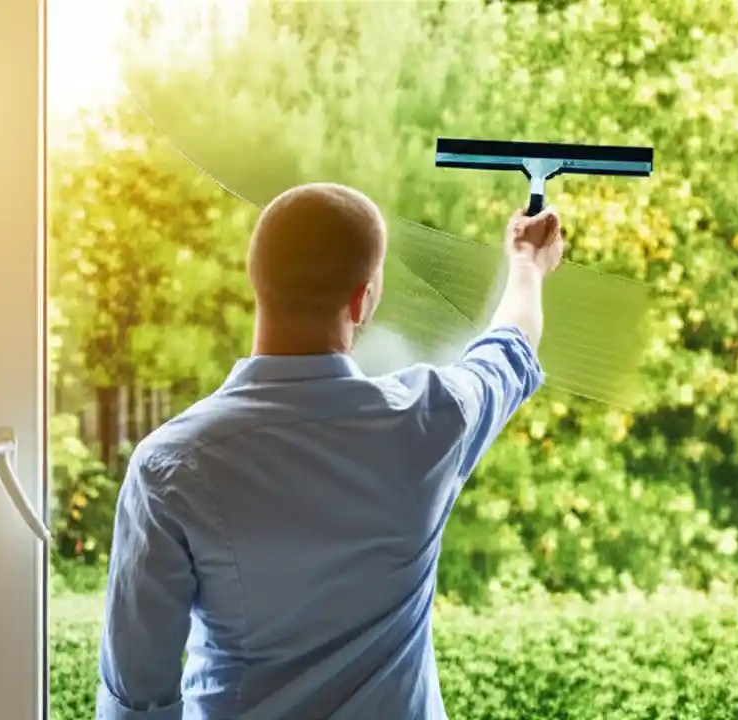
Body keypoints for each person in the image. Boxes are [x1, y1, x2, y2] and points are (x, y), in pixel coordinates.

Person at [96, 182, 564, 719]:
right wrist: (526, 263)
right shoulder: (430, 419)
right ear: (362, 300)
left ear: (256, 278)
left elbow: (137, 696)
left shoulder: (169, 465)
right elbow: (508, 350)